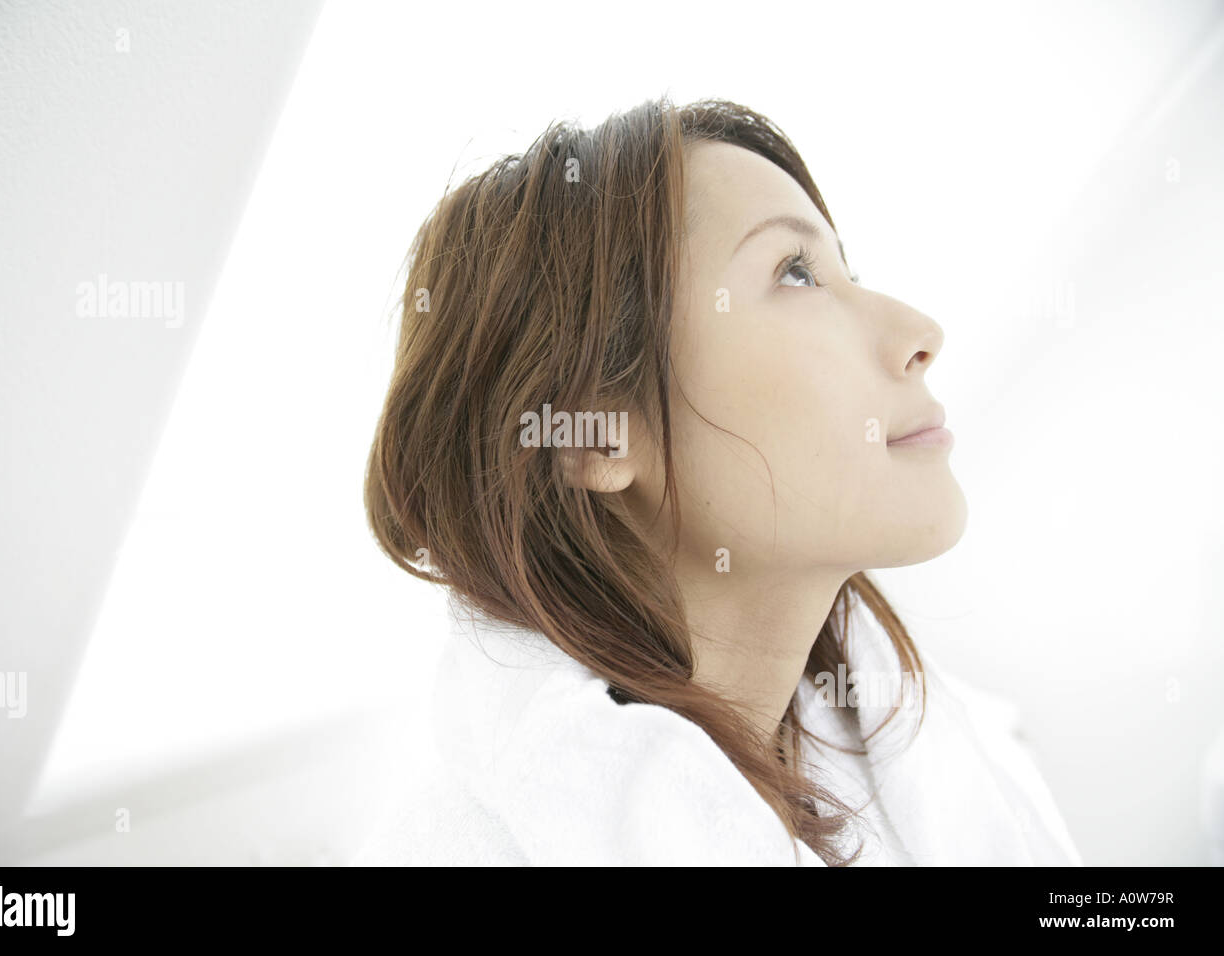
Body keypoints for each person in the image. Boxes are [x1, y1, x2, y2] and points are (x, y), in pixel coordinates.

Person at [353, 97, 1082, 866]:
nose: (919, 333)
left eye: (846, 268)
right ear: (596, 432)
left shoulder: (941, 753)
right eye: (796, 274)